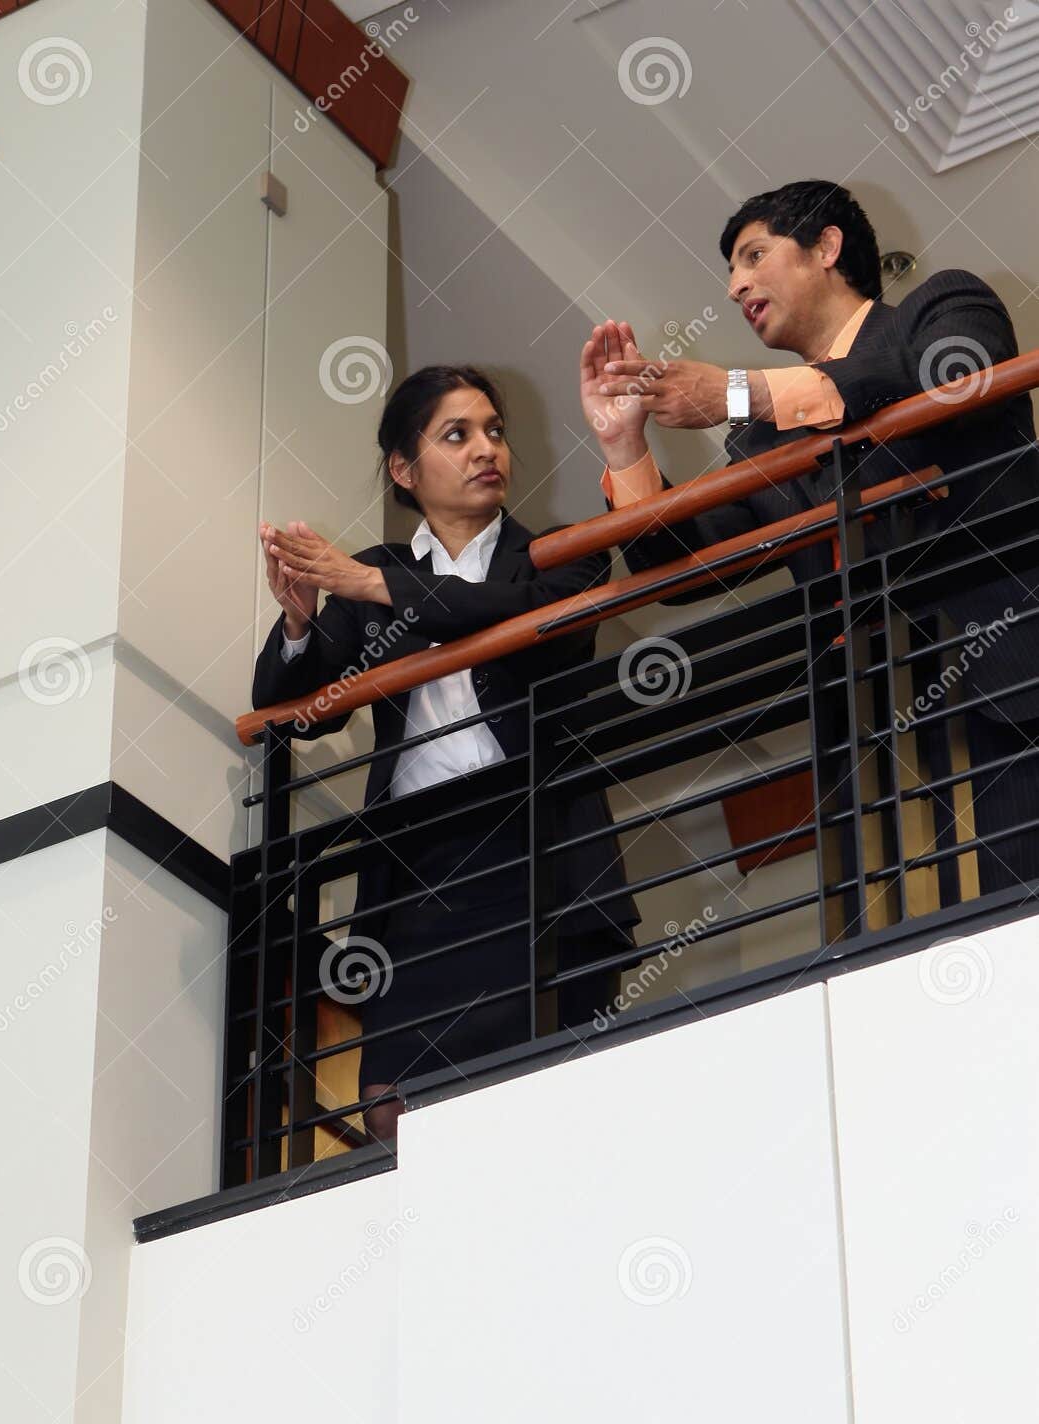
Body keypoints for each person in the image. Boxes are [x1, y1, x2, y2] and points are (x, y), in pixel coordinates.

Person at [584, 178, 1039, 899]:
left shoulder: (941, 302)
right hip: (869, 733)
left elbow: (958, 371)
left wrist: (744, 391)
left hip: (1010, 683)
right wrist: (624, 448)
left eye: (752, 255)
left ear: (826, 246)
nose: (734, 287)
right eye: (730, 271)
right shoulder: (764, 439)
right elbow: (680, 569)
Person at [253, 365, 637, 1141]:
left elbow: (510, 613)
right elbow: (289, 712)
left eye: (493, 431)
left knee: (557, 1097)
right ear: (404, 469)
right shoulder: (381, 574)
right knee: (394, 1106)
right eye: (455, 435)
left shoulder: (557, 553)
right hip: (417, 866)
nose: (485, 449)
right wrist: (298, 623)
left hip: (535, 847)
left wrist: (368, 586)